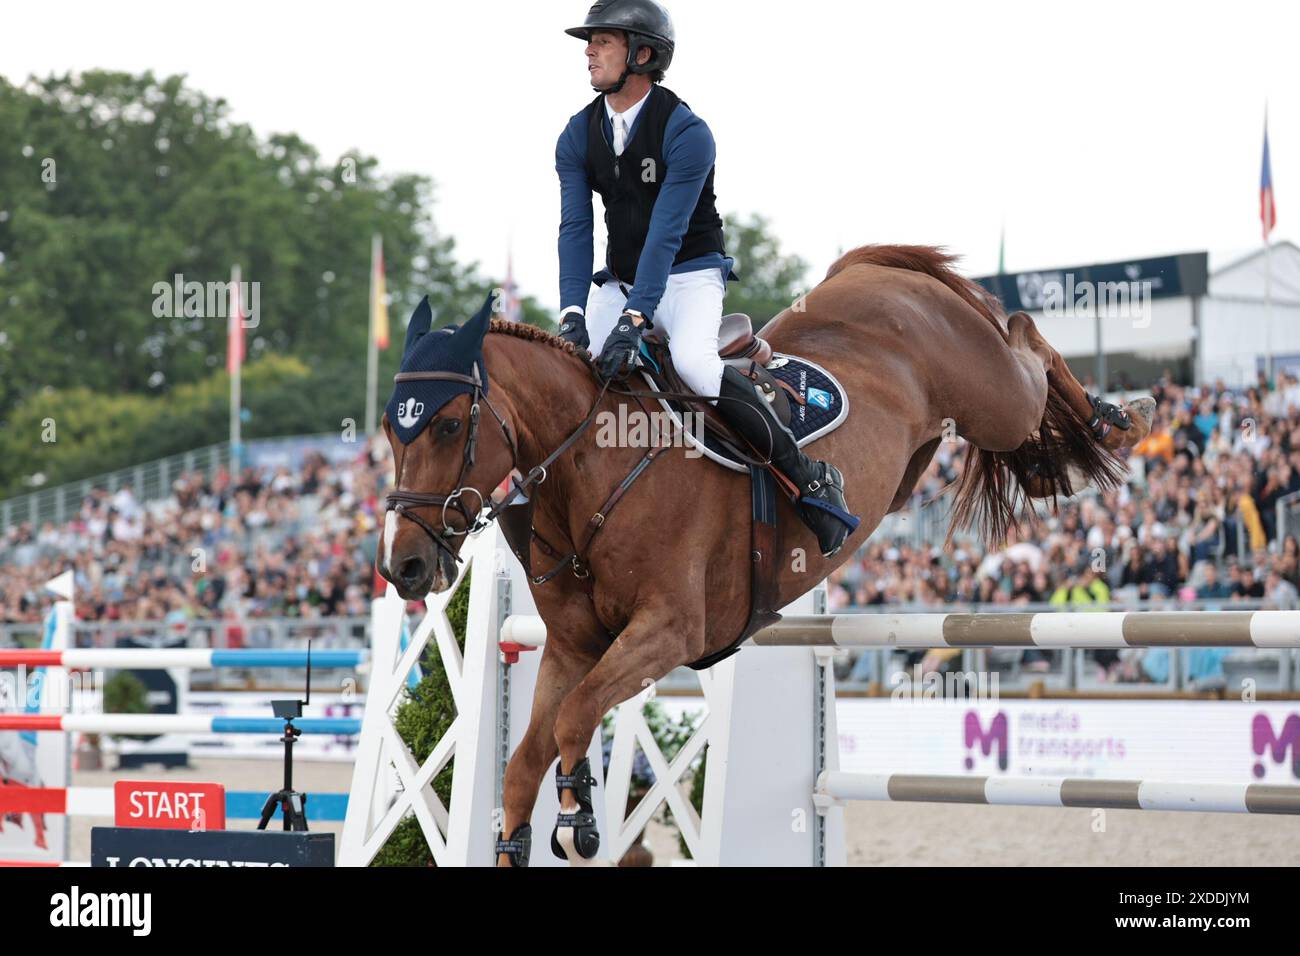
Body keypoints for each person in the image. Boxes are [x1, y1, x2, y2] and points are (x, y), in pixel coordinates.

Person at [553, 0, 855, 556]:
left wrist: (635, 319)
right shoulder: (577, 134)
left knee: (694, 364)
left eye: (603, 40)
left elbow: (666, 236)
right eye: (589, 40)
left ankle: (809, 480)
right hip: (620, 279)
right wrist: (573, 313)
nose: (589, 49)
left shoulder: (687, 132)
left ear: (642, 54)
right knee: (567, 370)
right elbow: (575, 230)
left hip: (688, 274)